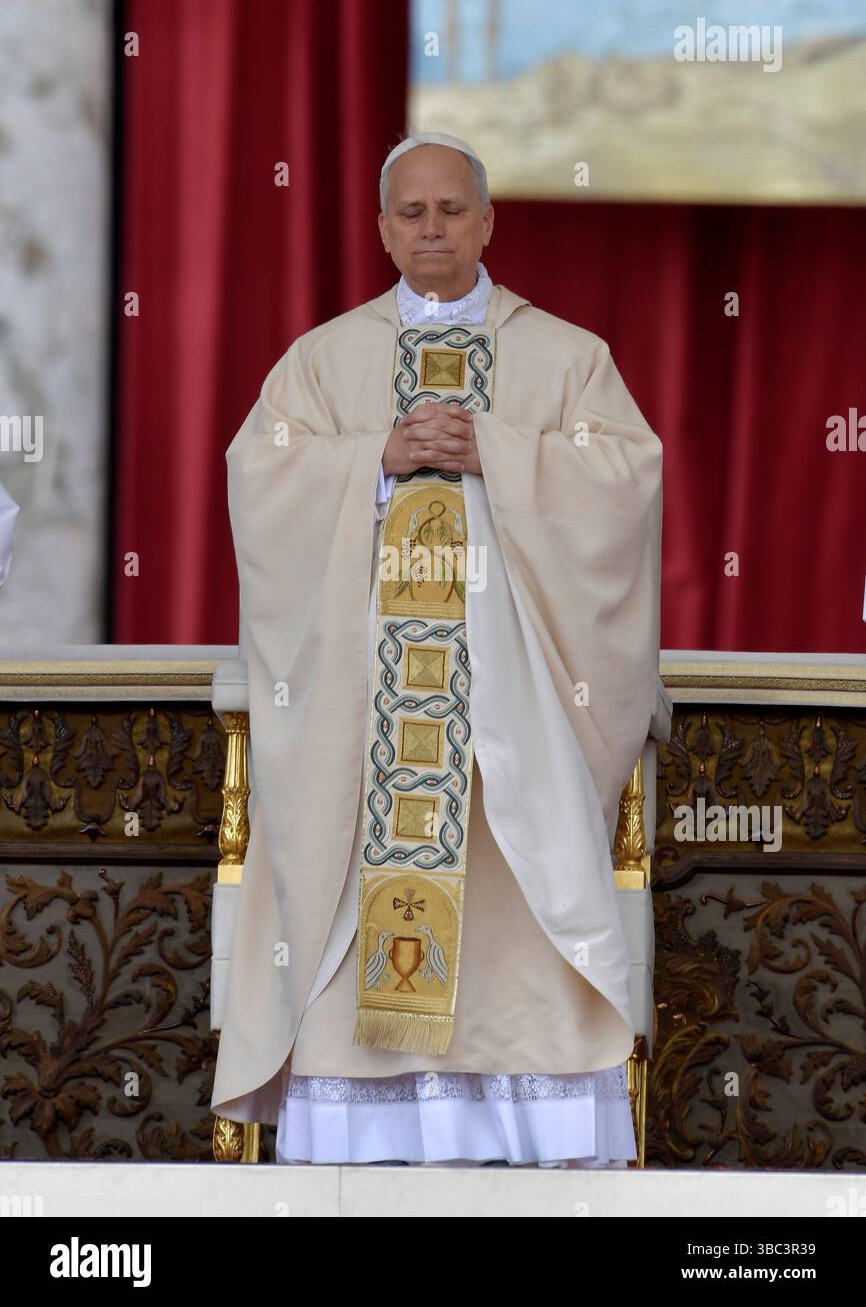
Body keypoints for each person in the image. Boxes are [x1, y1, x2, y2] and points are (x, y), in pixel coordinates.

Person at [211, 132, 666, 1168]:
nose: (429, 229)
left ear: (487, 222)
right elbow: (260, 480)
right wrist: (374, 455)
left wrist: (493, 454)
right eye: (408, 213)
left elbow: (625, 482)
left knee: (516, 927)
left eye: (449, 210)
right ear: (379, 229)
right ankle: (359, 1131)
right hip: (366, 730)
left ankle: (527, 1125)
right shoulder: (322, 363)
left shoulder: (565, 358)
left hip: (509, 729)